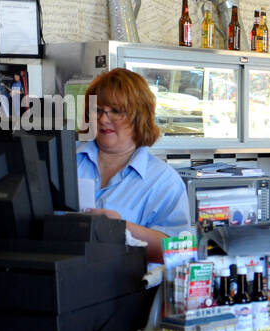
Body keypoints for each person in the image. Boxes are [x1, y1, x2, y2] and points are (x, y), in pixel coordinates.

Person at [78, 68, 189, 262]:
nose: (104, 119)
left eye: (116, 111)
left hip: (126, 288)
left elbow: (179, 251)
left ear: (139, 117)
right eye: (98, 110)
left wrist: (121, 228)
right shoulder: (66, 160)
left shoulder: (164, 181)